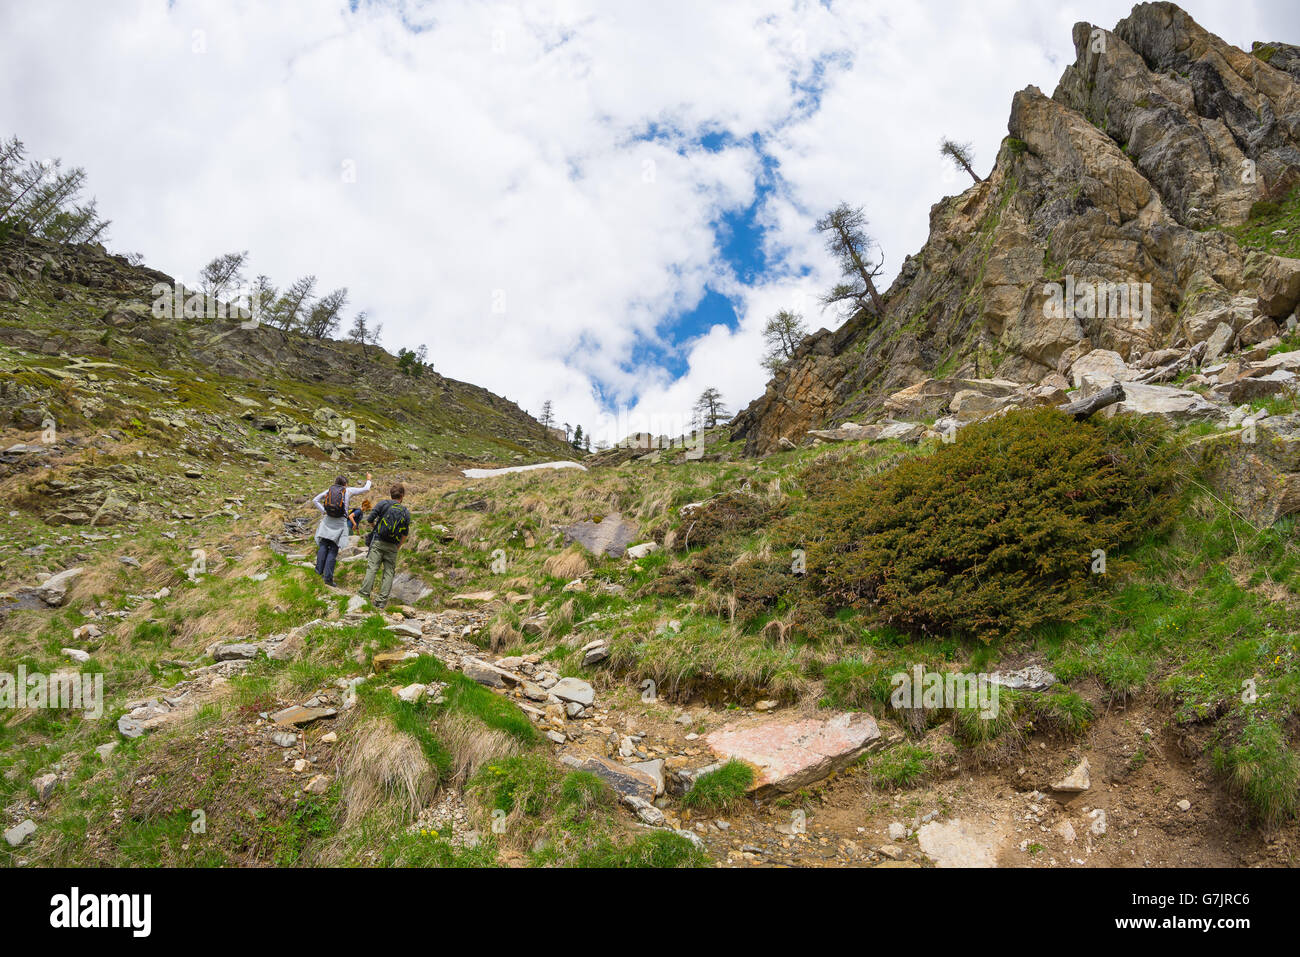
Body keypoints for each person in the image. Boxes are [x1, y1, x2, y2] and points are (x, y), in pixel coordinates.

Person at [312, 472, 371, 587]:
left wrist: (324, 511)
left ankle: (318, 572)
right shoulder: (348, 491)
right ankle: (328, 578)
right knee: (333, 549)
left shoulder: (329, 490)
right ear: (345, 484)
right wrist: (368, 479)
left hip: (328, 521)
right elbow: (366, 489)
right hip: (339, 522)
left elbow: (315, 500)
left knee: (323, 545)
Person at [358, 483, 410, 609]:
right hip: (393, 545)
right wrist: (397, 546)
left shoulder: (383, 504)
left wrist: (375, 528)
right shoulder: (405, 511)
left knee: (372, 568)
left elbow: (370, 519)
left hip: (378, 541)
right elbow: (405, 534)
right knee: (388, 572)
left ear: (391, 494)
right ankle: (381, 602)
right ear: (402, 496)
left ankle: (364, 595)